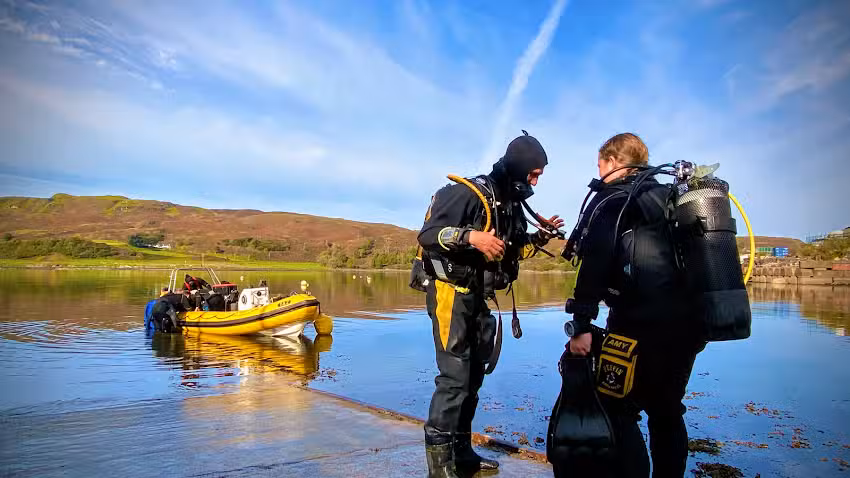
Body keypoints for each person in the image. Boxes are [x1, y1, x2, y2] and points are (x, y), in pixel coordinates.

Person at [416, 131, 563, 478]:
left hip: (481, 298)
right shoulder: (468, 193)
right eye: (535, 173)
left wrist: (539, 237)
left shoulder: (509, 204)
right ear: (520, 165)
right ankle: (439, 469)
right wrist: (471, 237)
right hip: (451, 294)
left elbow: (512, 249)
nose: (536, 181)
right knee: (453, 379)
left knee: (473, 378)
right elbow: (427, 235)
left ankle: (462, 453)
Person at [562, 133, 706, 478]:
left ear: (614, 162)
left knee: (616, 407)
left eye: (600, 165)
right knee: (667, 412)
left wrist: (581, 326)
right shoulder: (671, 199)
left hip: (633, 328)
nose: (598, 173)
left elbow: (595, 265)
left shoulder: (616, 202)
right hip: (688, 329)